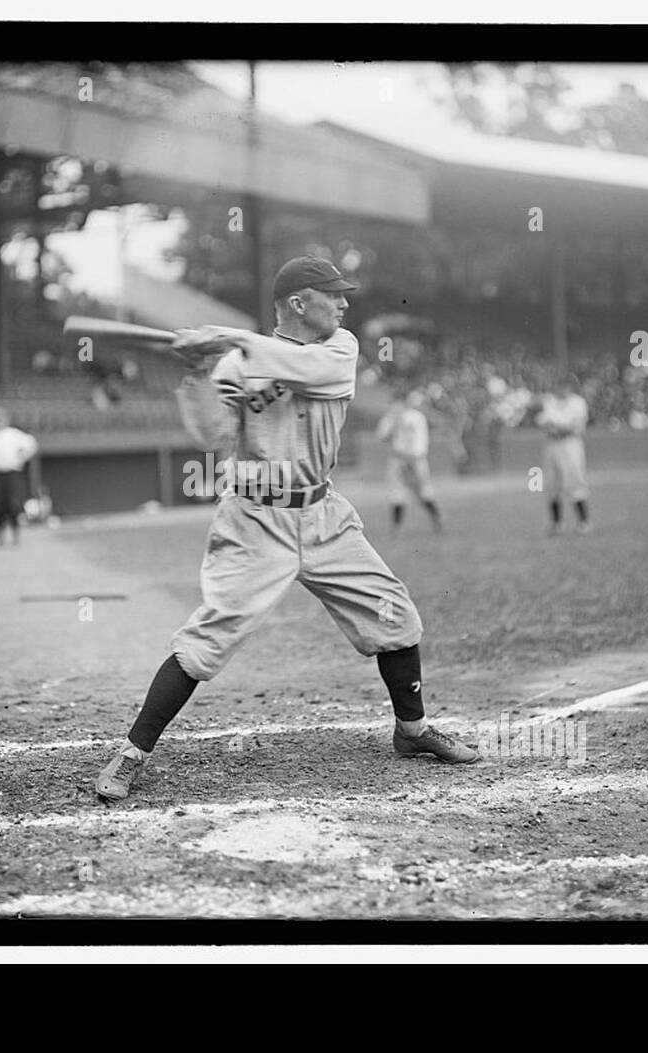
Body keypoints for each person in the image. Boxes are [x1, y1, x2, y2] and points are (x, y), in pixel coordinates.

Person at [94, 256, 480, 802]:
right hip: (254, 521)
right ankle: (133, 752)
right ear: (299, 303)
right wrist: (198, 370)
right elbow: (210, 435)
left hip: (323, 515)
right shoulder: (234, 365)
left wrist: (231, 338)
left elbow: (311, 373)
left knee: (395, 614)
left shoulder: (339, 348)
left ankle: (412, 731)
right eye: (333, 294)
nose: (344, 304)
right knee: (209, 639)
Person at [376, 389, 442, 535]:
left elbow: (421, 442)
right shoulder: (390, 418)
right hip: (397, 460)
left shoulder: (416, 417)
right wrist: (394, 423)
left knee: (424, 493)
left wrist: (413, 459)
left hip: (416, 460)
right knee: (397, 494)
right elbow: (382, 436)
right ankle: (396, 529)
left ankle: (436, 520)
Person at [536, 374, 592, 535]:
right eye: (558, 385)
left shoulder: (577, 402)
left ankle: (583, 521)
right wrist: (555, 426)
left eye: (564, 385)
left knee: (575, 480)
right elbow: (542, 422)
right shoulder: (549, 401)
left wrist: (556, 425)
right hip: (551, 444)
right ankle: (556, 523)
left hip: (570, 444)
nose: (561, 389)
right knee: (551, 483)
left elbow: (573, 426)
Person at [0, 409, 38, 545]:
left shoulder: (14, 434)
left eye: (2, 418)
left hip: (12, 473)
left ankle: (15, 535)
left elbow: (32, 444)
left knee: (14, 506)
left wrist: (22, 458)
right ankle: (0, 536)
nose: (0, 421)